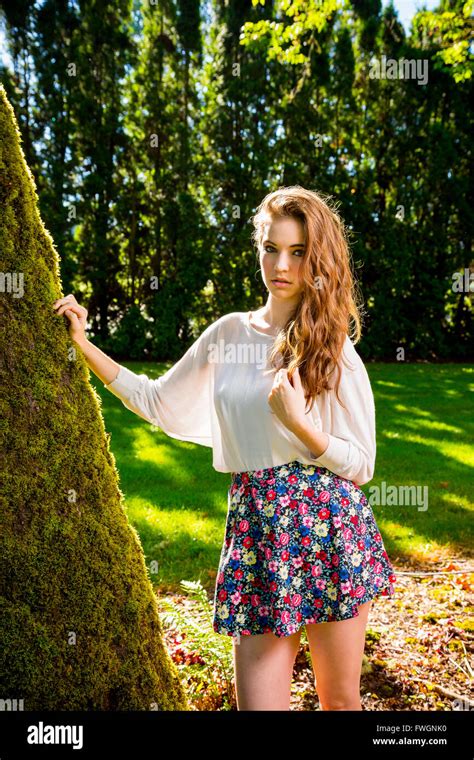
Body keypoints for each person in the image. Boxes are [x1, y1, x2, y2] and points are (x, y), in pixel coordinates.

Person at [52, 185, 396, 711]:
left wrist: (303, 428)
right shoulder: (228, 334)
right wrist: (83, 343)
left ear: (317, 258)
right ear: (258, 248)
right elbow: (157, 400)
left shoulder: (332, 346)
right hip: (257, 528)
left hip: (331, 530)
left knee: (341, 702)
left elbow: (362, 463)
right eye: (271, 247)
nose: (281, 264)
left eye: (298, 252)